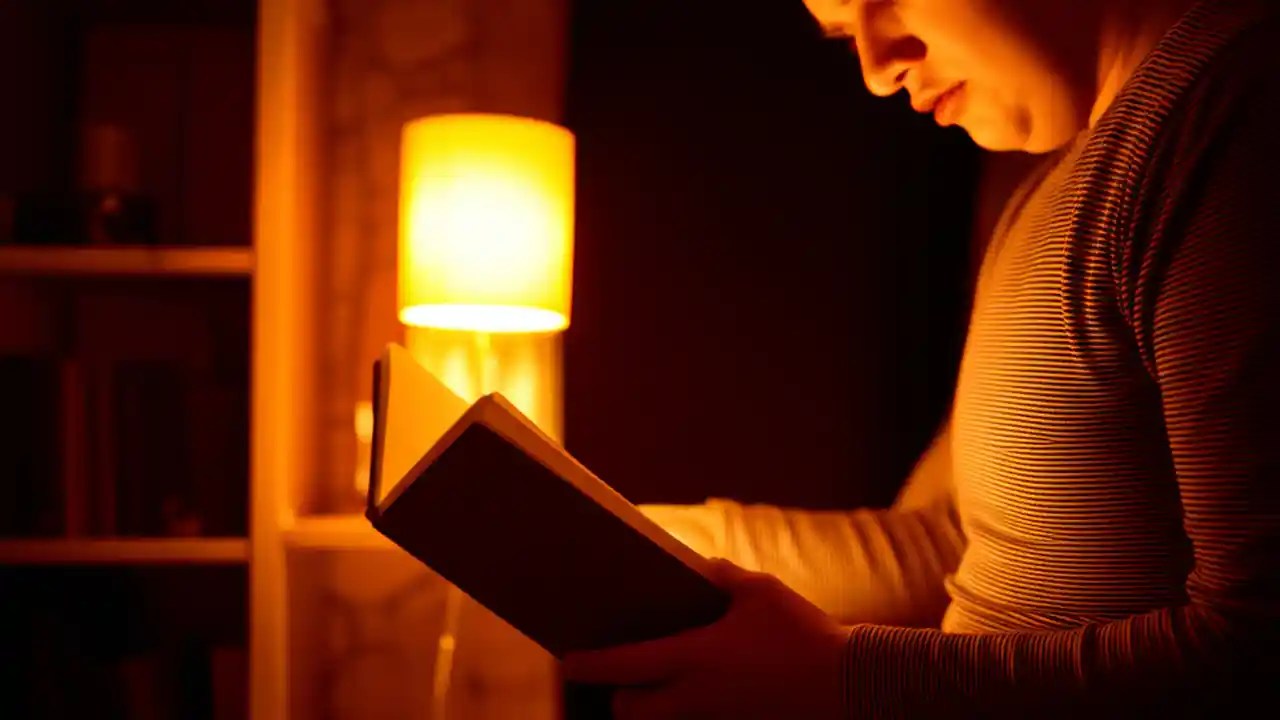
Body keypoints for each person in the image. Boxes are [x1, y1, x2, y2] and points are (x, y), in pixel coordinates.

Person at [562, 0, 1280, 716]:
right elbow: (958, 539)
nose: (877, 70)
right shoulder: (1052, 186)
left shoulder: (1233, 110)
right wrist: (680, 551)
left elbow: (1257, 643)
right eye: (845, 34)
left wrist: (847, 679)